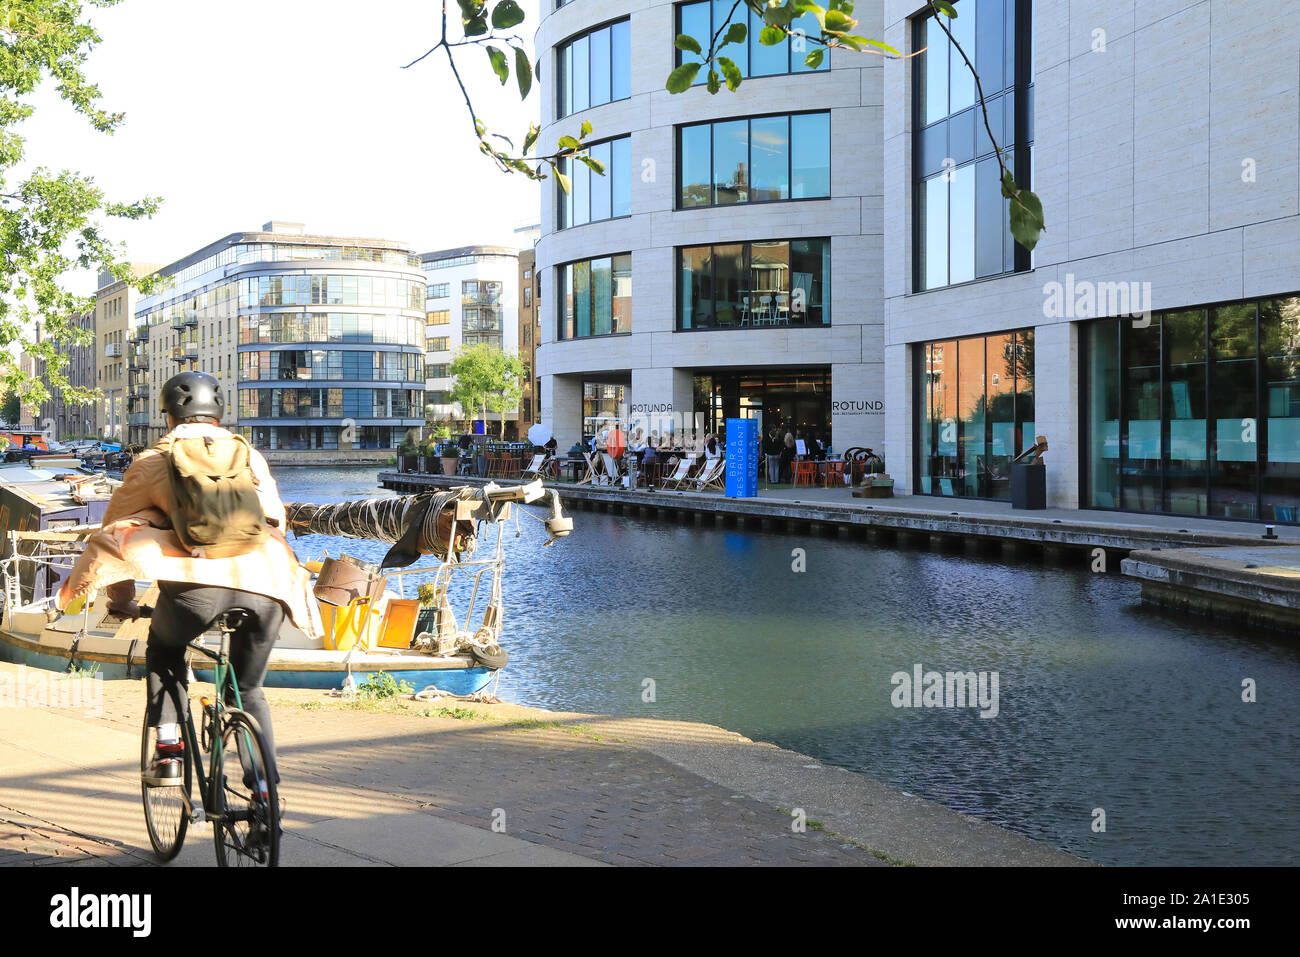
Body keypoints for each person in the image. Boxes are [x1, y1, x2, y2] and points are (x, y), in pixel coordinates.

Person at [57, 371, 317, 793]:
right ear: (218, 414)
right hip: (268, 584)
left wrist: (121, 600)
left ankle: (169, 753)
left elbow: (115, 535)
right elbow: (276, 521)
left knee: (164, 651)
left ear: (168, 416)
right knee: (248, 689)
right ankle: (264, 791)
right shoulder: (247, 455)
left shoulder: (152, 460)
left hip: (195, 589)